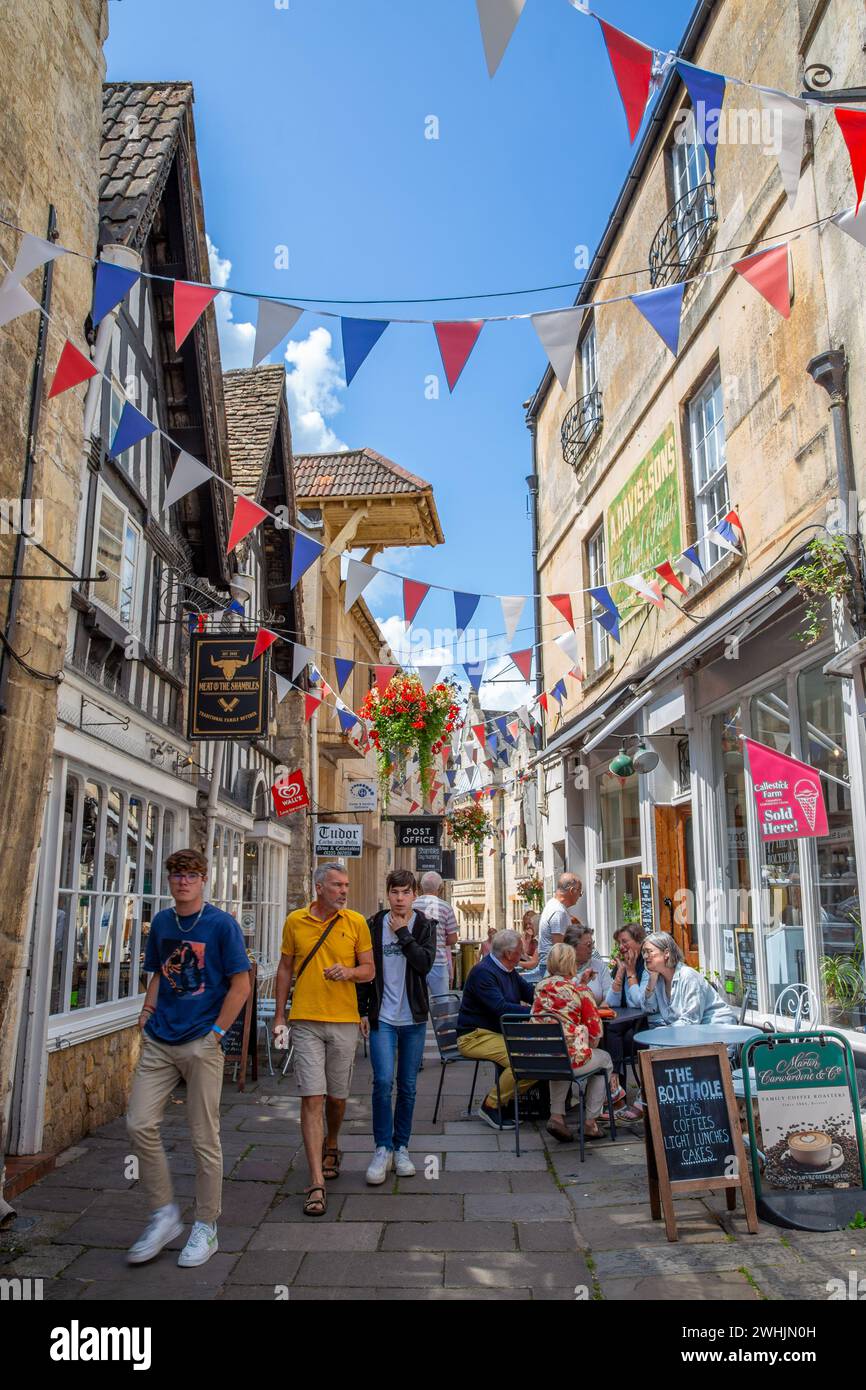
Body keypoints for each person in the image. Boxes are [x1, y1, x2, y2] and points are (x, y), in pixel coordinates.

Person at [126, 848, 251, 1268]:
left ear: (204, 880)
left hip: (201, 1041)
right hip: (160, 1038)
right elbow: (160, 971)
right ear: (169, 879)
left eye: (191, 875)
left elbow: (241, 985)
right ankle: (164, 1214)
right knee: (139, 1123)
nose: (183, 881)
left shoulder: (221, 925)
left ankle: (206, 1225)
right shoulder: (162, 923)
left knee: (203, 1137)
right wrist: (146, 1012)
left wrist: (216, 1034)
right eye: (177, 874)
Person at [274, 863, 374, 1217]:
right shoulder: (295, 921)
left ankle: (332, 1141)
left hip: (344, 1021)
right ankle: (316, 1180)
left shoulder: (356, 923)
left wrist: (347, 972)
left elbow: (369, 970)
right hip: (305, 1020)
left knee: (337, 1097)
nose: (344, 891)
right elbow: (285, 968)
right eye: (337, 885)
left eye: (346, 885)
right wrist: (280, 1016)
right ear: (319, 888)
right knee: (311, 1097)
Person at [358, 869, 436, 1184]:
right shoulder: (373, 925)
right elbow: (363, 970)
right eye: (395, 892)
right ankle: (382, 1148)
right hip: (383, 1018)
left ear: (414, 895)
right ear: (387, 893)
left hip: (413, 1018)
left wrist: (403, 933)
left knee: (408, 1086)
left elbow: (423, 964)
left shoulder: (425, 926)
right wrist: (362, 1010)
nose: (400, 898)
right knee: (381, 1081)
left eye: (405, 892)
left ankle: (402, 1147)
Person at [531, 943, 617, 1142]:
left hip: (538, 1058)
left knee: (559, 1053)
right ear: (572, 963)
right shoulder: (580, 990)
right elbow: (596, 1035)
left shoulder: (540, 987)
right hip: (568, 1059)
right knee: (604, 1060)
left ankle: (556, 1116)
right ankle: (590, 1123)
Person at [457, 929, 537, 1130]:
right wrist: (533, 1011)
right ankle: (491, 1105)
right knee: (524, 1061)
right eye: (520, 950)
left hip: (497, 1033)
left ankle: (503, 1103)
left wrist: (550, 998)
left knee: (539, 1060)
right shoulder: (484, 972)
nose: (523, 954)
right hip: (475, 1035)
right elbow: (500, 1008)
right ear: (509, 954)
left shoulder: (508, 970)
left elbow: (529, 992)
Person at [627, 931, 736, 1026]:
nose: (645, 956)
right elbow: (649, 1009)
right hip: (693, 1035)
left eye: (649, 951)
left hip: (718, 1032)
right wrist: (651, 983)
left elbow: (691, 1020)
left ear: (666, 953)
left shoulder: (688, 976)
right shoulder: (658, 979)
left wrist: (663, 1033)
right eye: (644, 952)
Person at [602, 924, 646, 1121]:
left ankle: (615, 1094)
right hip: (628, 1022)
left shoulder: (646, 965)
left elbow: (641, 1002)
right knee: (609, 1031)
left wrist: (630, 971)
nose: (621, 946)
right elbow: (611, 1002)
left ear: (639, 941)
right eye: (619, 943)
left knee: (614, 1034)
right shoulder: (625, 963)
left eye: (625, 942)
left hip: (647, 1026)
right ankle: (615, 1092)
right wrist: (620, 972)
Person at [522, 873, 583, 983]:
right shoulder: (558, 912)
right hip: (554, 969)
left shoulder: (553, 905)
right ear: (572, 890)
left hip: (550, 967)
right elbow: (559, 949)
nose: (580, 896)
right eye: (580, 892)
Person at [413, 870, 459, 1000]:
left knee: (415, 1001)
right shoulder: (446, 907)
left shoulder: (412, 905)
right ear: (440, 888)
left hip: (416, 960)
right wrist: (437, 940)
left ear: (420, 887)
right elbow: (453, 938)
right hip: (438, 960)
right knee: (441, 1002)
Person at [563, 922, 612, 1004]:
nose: (592, 948)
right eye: (588, 945)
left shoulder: (599, 965)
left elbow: (609, 995)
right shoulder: (558, 967)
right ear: (573, 947)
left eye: (592, 944)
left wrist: (603, 1006)